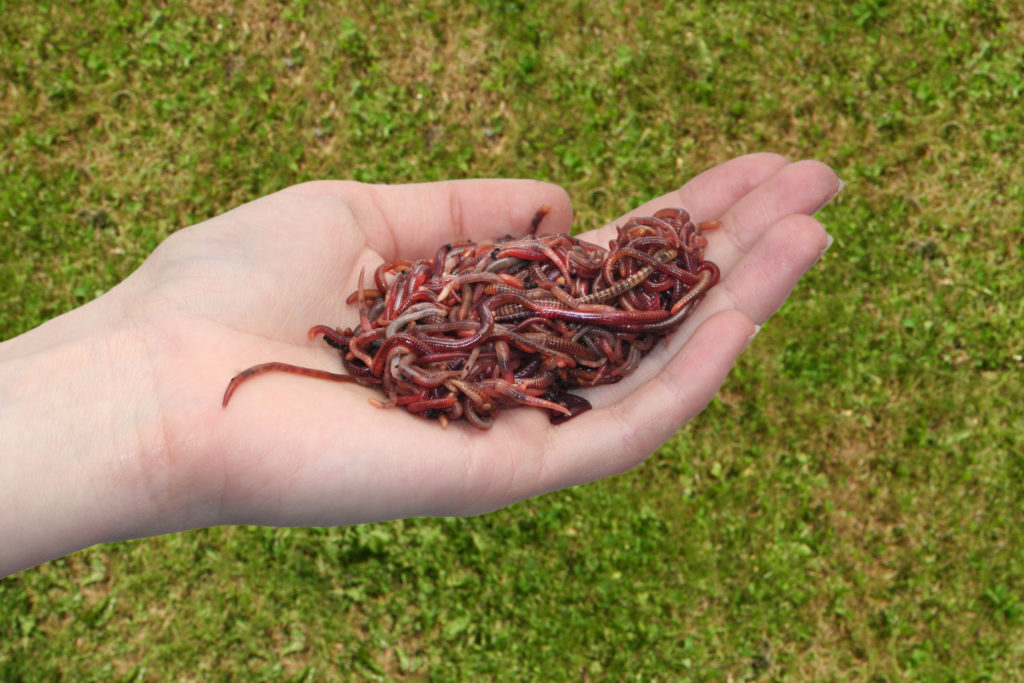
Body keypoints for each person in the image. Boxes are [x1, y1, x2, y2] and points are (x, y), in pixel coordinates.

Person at [0, 154, 840, 577]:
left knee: (551, 317)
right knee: (500, 322)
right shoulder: (415, 329)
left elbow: (548, 311)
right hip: (438, 339)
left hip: (480, 335)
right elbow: (472, 318)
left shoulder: (550, 305)